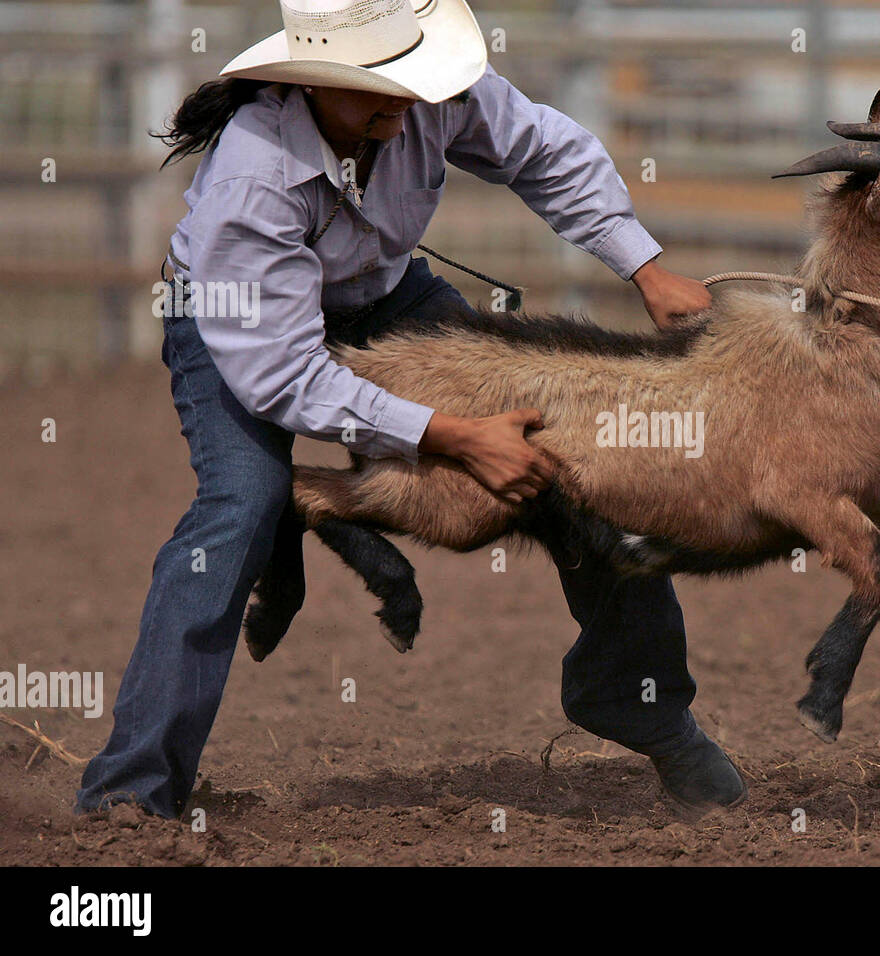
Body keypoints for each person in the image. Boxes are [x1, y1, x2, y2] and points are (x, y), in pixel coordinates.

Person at [76, 0, 746, 817]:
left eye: (407, 82)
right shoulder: (250, 182)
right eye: (374, 89)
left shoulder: (438, 94)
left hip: (388, 295)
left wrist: (644, 268)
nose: (400, 105)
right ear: (314, 83)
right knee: (237, 509)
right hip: (240, 326)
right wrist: (459, 437)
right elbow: (284, 377)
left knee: (577, 459)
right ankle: (130, 792)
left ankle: (638, 701)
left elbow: (541, 149)